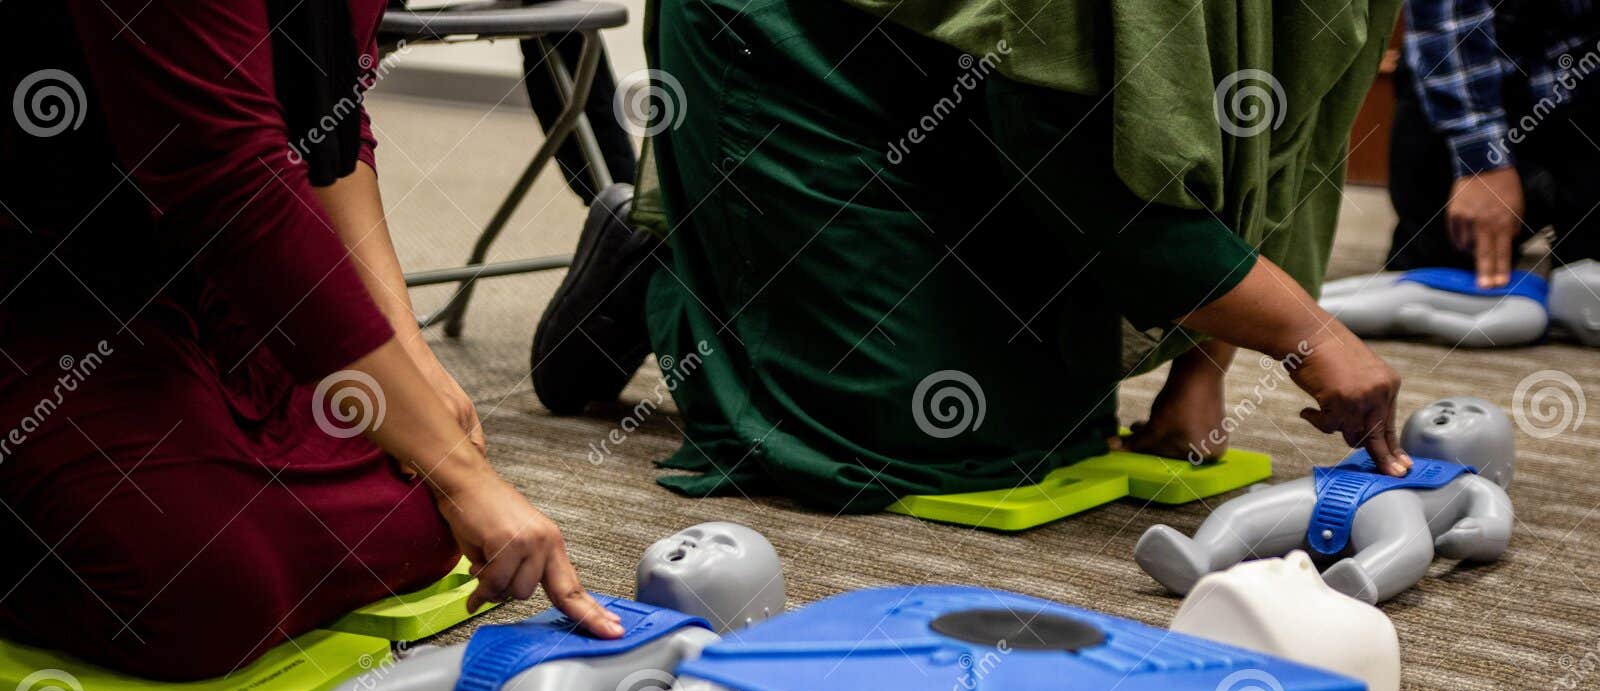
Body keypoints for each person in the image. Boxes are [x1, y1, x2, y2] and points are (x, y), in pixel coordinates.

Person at [533, 0, 1414, 515]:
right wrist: (1311, 335)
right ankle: (675, 248)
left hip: (965, 57)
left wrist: (1204, 365)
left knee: (1048, 430)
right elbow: (1078, 166)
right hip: (785, 26)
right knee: (901, 436)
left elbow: (1286, 143)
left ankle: (719, 243)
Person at [0, 0, 621, 682]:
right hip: (48, 273)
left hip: (195, 264)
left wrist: (412, 364)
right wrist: (463, 473)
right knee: (206, 594)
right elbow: (226, 175)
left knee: (416, 516)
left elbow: (335, 133)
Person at [1388, 0, 1600, 288]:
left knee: (1585, 292)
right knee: (1444, 284)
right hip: (1471, 88)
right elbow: (1446, 21)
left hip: (1583, 91)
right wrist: (1480, 161)